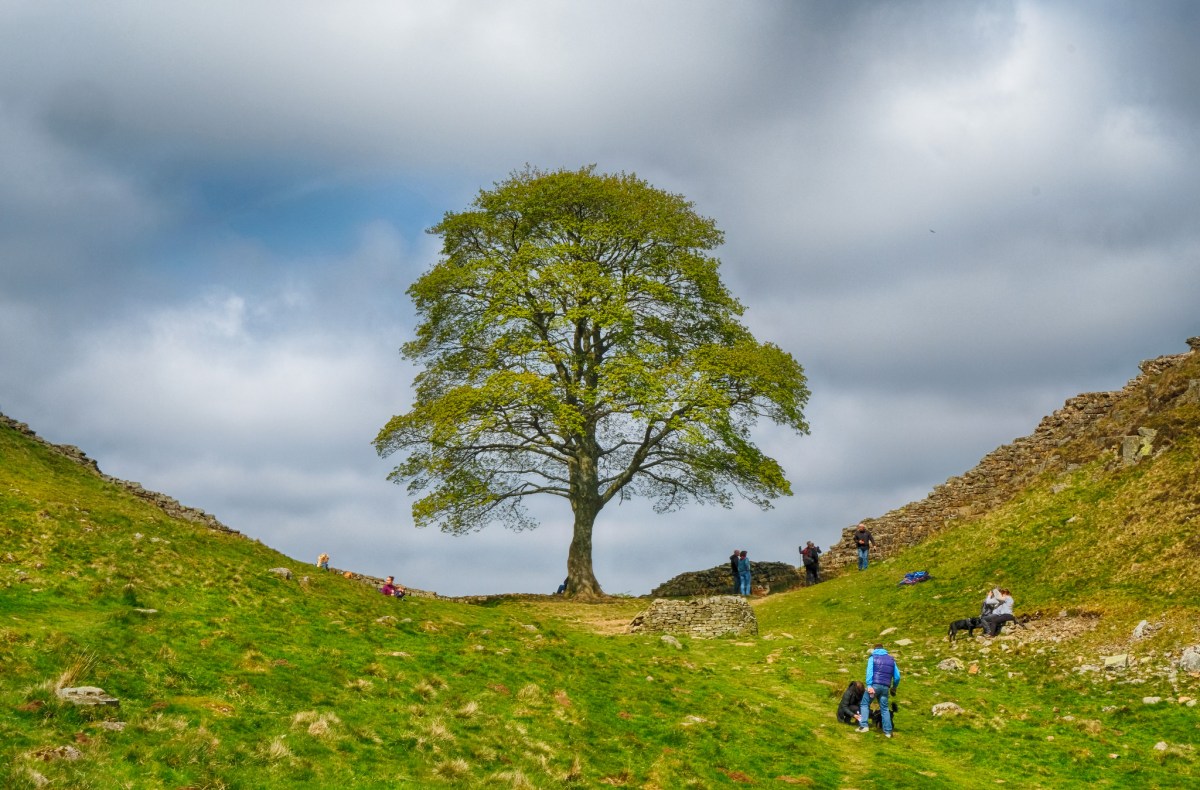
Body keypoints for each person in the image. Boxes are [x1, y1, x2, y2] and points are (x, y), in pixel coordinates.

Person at [857, 644, 900, 738]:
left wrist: (869, 685)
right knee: (884, 709)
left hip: (874, 686)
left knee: (865, 703)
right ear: (883, 649)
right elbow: (897, 677)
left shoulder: (873, 657)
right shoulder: (891, 660)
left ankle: (864, 726)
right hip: (885, 687)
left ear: (875, 649)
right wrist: (894, 687)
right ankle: (888, 732)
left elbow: (869, 672)